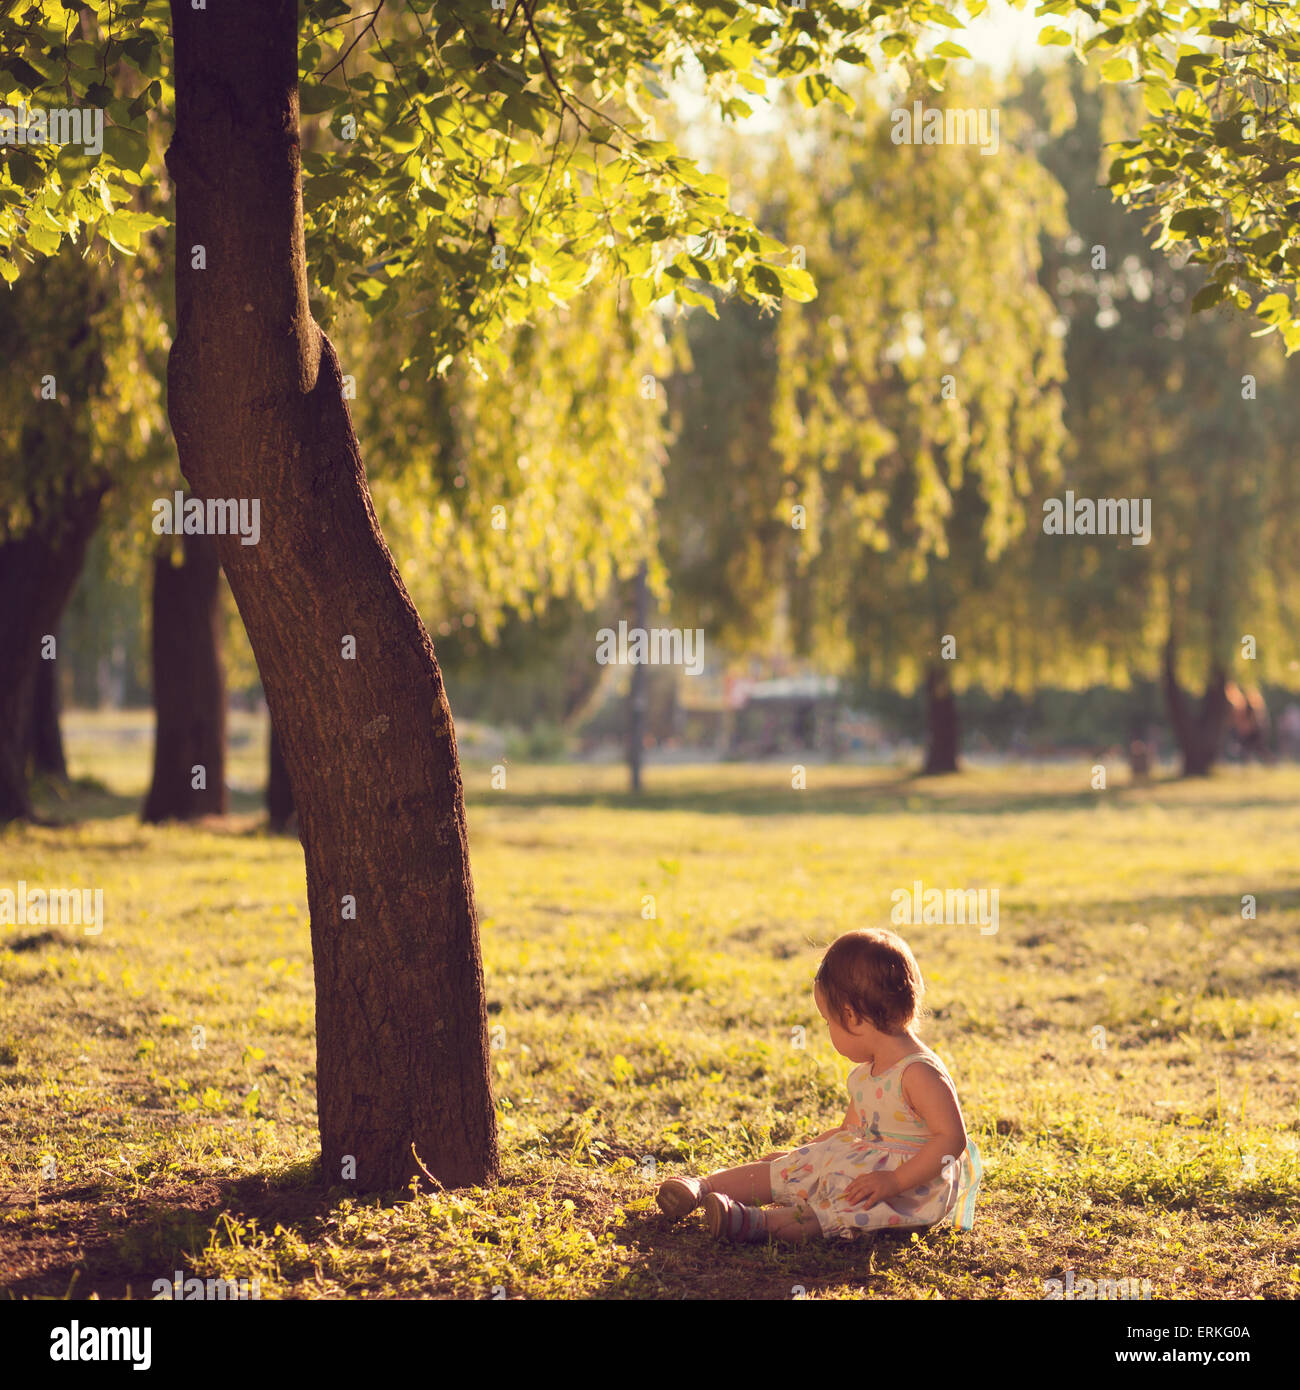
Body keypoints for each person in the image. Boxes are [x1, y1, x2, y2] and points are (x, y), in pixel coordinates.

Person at [656, 928, 981, 1241]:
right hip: (866, 1164)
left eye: (829, 1022)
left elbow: (951, 1140)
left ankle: (756, 1223)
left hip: (911, 1187)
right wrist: (804, 1155)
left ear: (851, 1016)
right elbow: (850, 1132)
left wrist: (894, 1181)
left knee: (838, 1209)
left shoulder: (918, 1072)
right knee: (782, 1168)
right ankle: (703, 1187)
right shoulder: (867, 1072)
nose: (828, 1030)